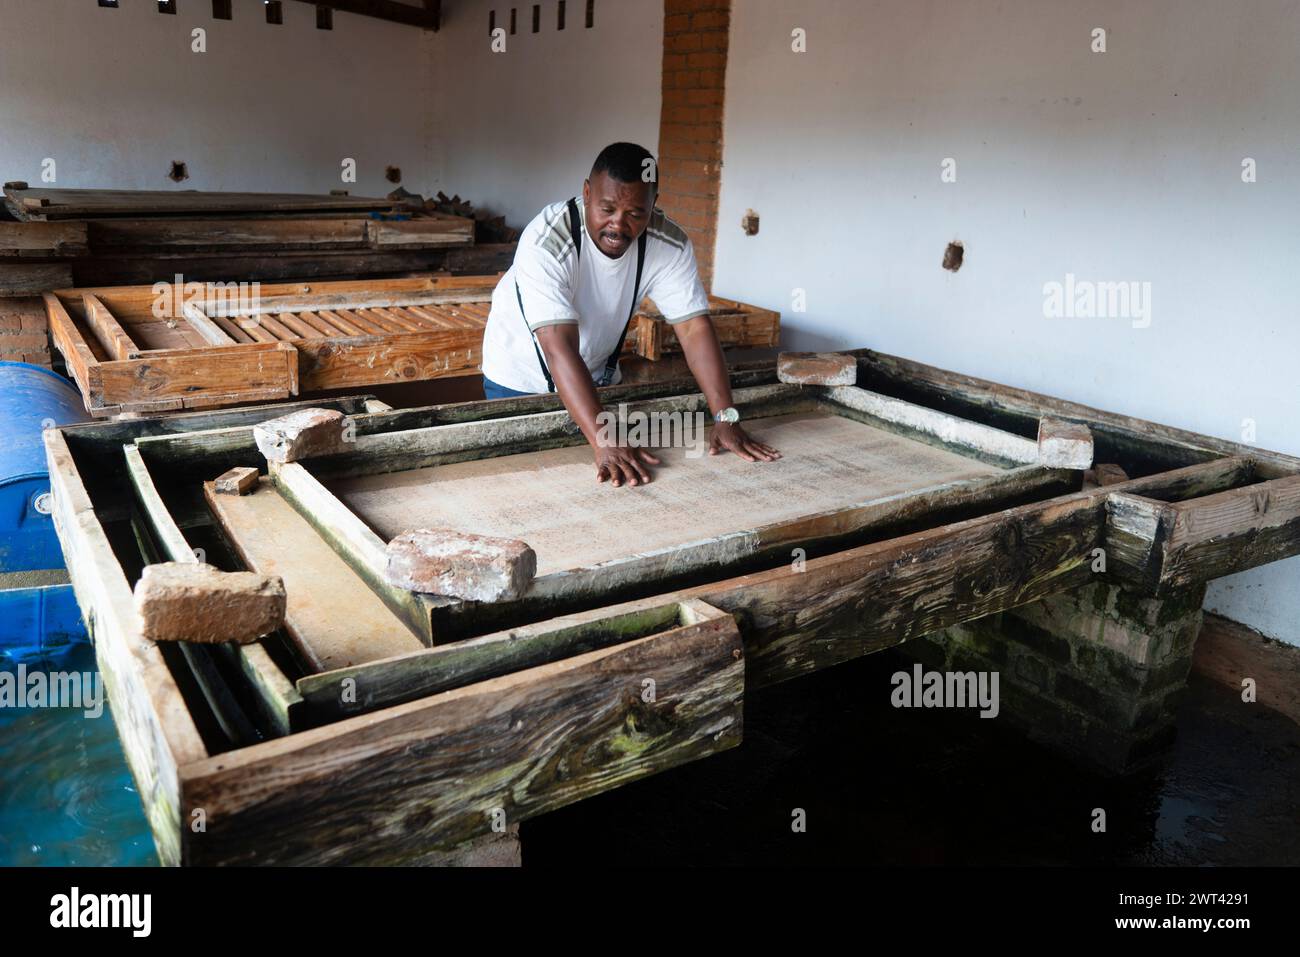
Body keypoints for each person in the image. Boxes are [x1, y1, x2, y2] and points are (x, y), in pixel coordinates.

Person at [480, 142, 780, 488]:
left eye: (636, 214)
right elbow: (558, 346)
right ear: (587, 192)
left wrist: (726, 416)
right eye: (607, 208)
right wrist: (604, 437)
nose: (618, 225)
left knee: (607, 488)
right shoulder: (548, 240)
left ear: (653, 204)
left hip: (596, 379)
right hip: (519, 380)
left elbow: (694, 328)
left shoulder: (669, 244)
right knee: (528, 488)